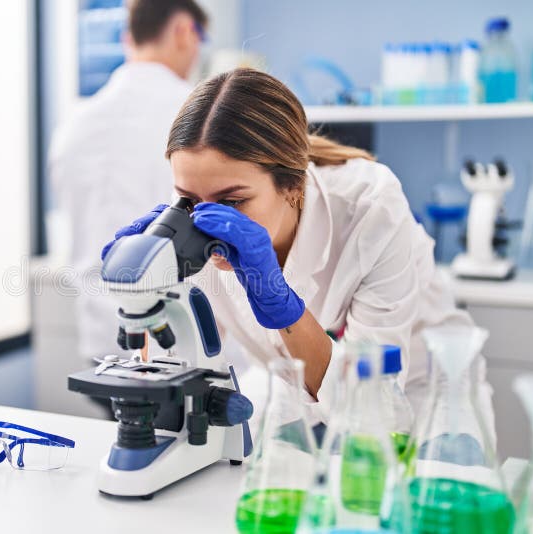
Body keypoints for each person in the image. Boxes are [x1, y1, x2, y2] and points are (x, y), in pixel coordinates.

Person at [102, 68, 497, 442]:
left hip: (423, 393)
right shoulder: (194, 210)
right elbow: (178, 359)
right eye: (188, 200)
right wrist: (150, 285)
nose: (208, 223)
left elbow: (373, 401)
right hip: (291, 389)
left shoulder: (371, 209)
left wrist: (283, 307)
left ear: (293, 185)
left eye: (233, 202)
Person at [49, 0, 208, 373]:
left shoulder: (74, 125)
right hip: (178, 342)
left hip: (101, 343)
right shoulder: (199, 116)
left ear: (127, 39)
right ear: (184, 32)